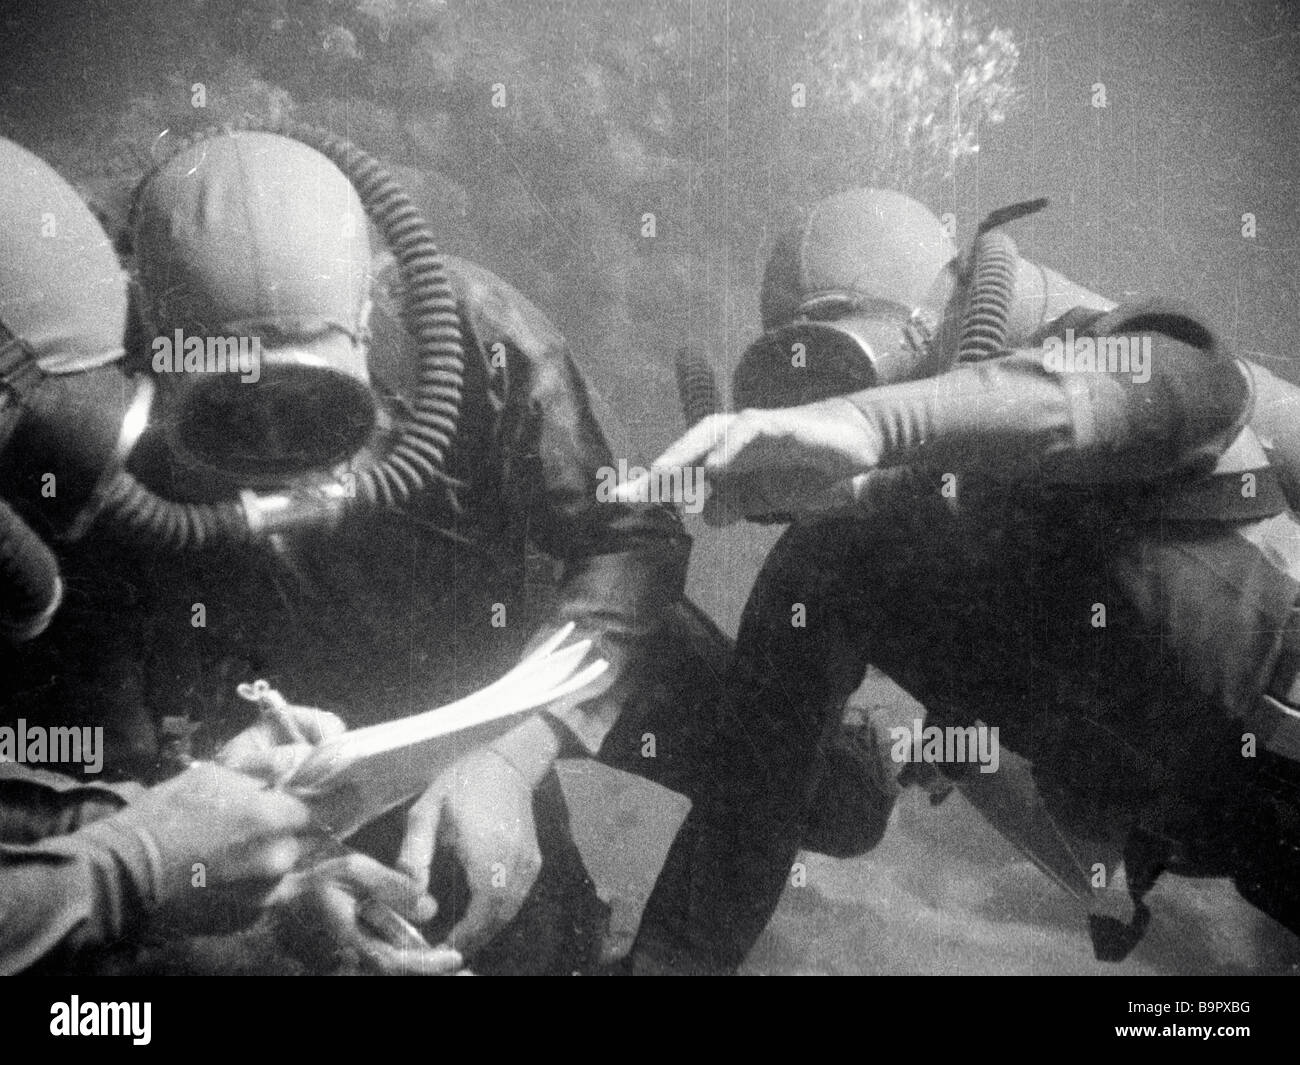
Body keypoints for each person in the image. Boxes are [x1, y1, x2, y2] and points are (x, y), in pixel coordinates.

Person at [7, 125, 693, 974]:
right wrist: (176, 852)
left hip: (477, 687)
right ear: (151, 345)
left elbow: (634, 534)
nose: (279, 459)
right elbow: (88, 725)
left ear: (369, 324)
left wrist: (518, 753)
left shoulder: (474, 340)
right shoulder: (78, 410)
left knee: (533, 927)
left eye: (312, 409)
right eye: (231, 415)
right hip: (251, 718)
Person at [621, 188, 1300, 973]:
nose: (839, 399)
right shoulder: (836, 557)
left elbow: (1180, 387)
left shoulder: (1104, 354)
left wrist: (879, 423)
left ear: (949, 313)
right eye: (807, 379)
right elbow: (748, 807)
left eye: (852, 363)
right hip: (1232, 843)